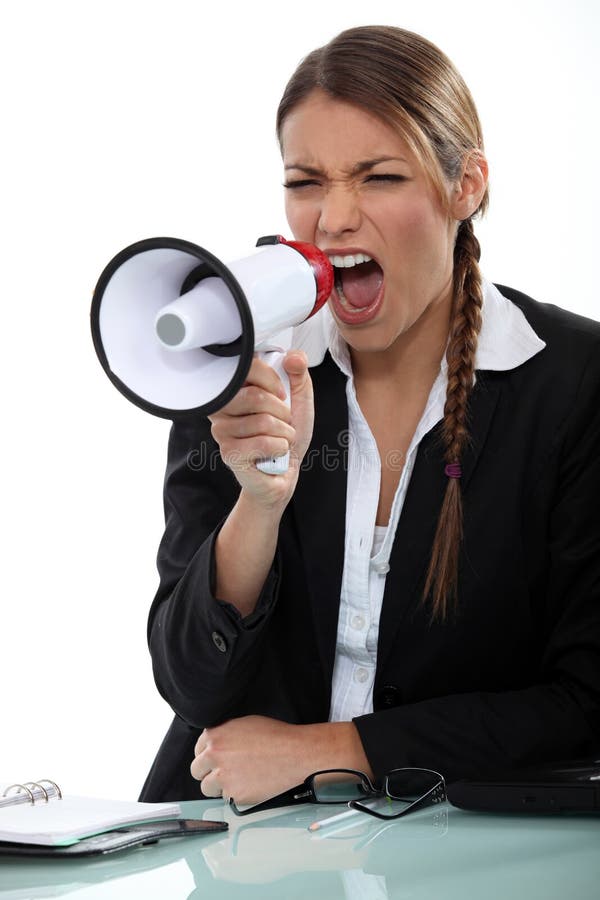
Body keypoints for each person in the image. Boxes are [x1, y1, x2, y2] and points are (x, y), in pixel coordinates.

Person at [139, 25, 600, 804]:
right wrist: (257, 503)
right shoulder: (242, 369)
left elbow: (586, 703)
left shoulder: (574, 386)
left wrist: (345, 750)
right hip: (237, 845)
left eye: (379, 178)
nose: (334, 219)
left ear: (467, 186)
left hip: (464, 853)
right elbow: (191, 683)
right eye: (306, 181)